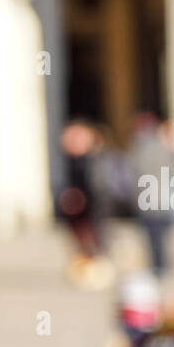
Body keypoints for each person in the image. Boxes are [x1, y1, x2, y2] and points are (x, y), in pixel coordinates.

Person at [56, 119, 114, 288]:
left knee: (95, 240)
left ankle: (98, 271)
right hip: (77, 209)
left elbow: (98, 186)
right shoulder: (70, 161)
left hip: (92, 207)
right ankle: (84, 270)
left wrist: (82, 197)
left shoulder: (95, 160)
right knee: (81, 241)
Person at [128, 113, 174, 276]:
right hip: (158, 200)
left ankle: (160, 268)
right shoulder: (155, 147)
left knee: (157, 239)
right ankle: (161, 267)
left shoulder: (146, 148)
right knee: (159, 239)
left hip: (154, 201)